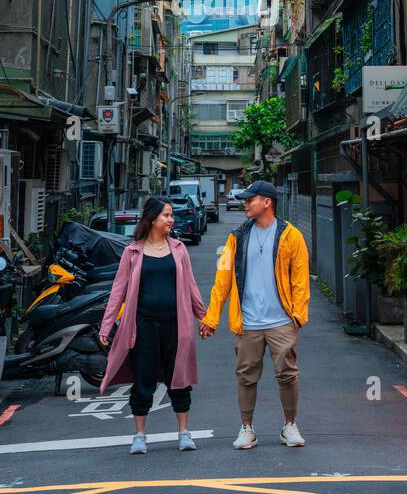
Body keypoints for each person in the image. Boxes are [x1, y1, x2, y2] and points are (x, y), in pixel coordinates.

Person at [199, 180, 310, 449]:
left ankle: (289, 425)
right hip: (247, 321)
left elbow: (300, 279)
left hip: (282, 320)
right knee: (246, 376)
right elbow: (222, 280)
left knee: (287, 374)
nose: (245, 203)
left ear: (267, 202)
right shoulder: (236, 237)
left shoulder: (290, 235)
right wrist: (211, 318)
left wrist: (297, 315)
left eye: (251, 199)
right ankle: (247, 427)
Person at [98, 197, 207, 454]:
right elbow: (118, 291)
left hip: (176, 326)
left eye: (171, 216)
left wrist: (204, 317)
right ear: (152, 219)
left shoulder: (179, 249)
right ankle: (139, 435)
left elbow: (191, 286)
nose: (171, 220)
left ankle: (184, 433)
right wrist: (106, 326)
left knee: (178, 379)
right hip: (143, 326)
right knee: (143, 380)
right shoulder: (132, 252)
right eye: (166, 216)